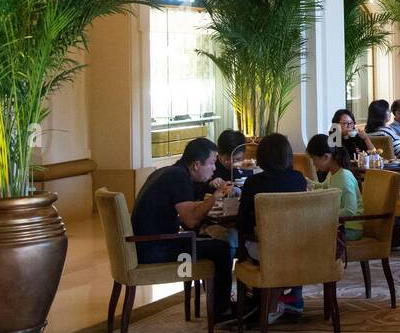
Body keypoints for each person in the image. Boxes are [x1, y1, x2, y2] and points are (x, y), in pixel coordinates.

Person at [131, 138, 235, 321]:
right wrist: (215, 197)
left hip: (144, 244)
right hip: (155, 250)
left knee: (207, 240)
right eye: (211, 163)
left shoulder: (168, 172)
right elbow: (192, 219)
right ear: (196, 165)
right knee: (222, 249)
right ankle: (222, 310)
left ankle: (218, 303)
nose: (214, 168)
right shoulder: (178, 178)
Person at [236, 132, 308, 320]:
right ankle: (295, 299)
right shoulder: (298, 179)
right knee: (289, 239)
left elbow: (242, 223)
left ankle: (265, 302)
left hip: (265, 248)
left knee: (256, 244)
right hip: (299, 246)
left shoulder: (253, 182)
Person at [306, 133, 364, 240]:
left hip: (350, 229)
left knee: (310, 235)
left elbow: (350, 211)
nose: (314, 164)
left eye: (314, 159)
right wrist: (307, 181)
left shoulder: (344, 177)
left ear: (326, 157)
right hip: (339, 225)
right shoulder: (333, 173)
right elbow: (323, 187)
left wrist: (325, 214)